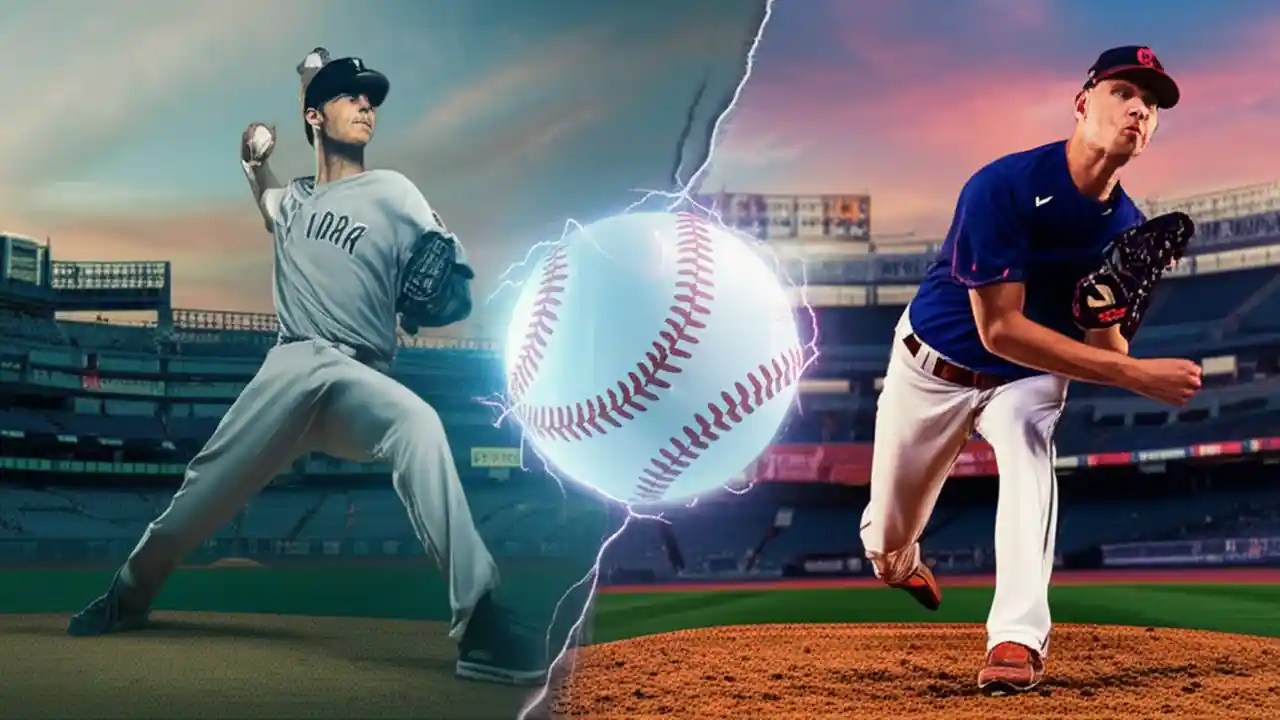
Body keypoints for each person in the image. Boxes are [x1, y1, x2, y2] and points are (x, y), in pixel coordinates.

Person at [67, 48, 551, 687]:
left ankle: (481, 622)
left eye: (370, 97)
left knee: (418, 425)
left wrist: (445, 295)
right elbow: (265, 192)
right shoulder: (292, 205)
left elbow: (452, 286)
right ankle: (129, 594)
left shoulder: (394, 191)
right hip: (290, 367)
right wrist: (253, 159)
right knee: (203, 491)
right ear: (316, 115)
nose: (367, 106)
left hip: (357, 377)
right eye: (351, 96)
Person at [858, 46, 1202, 696]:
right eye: (1125, 92)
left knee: (1028, 444)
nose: (1139, 109)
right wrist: (1135, 376)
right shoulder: (1003, 186)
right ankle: (899, 562)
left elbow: (1106, 348)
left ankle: (1016, 637)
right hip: (933, 368)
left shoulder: (1127, 231)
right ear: (1082, 103)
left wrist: (1116, 307)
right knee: (886, 537)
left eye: (1152, 105)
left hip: (1025, 382)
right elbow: (999, 329)